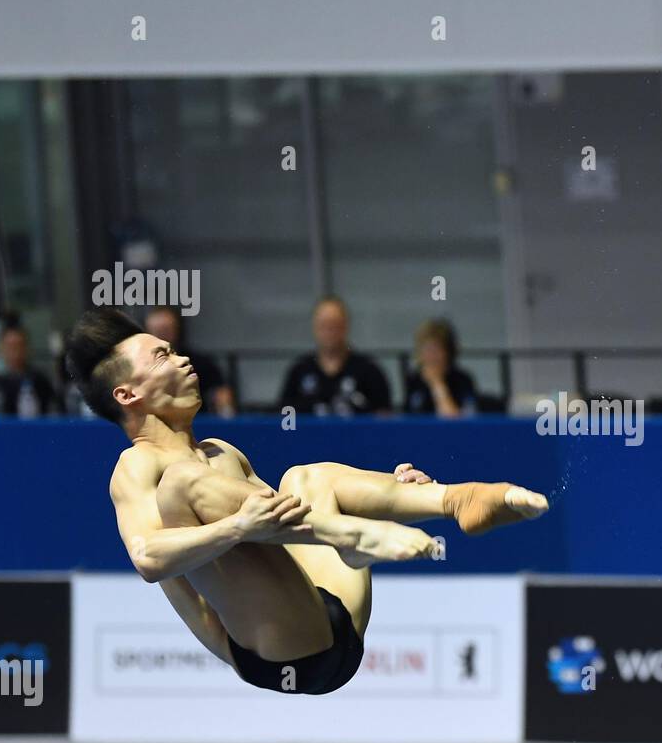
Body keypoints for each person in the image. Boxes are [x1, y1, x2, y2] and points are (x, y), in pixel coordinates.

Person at [65, 308, 548, 696]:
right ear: (127, 393)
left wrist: (388, 490)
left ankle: (456, 499)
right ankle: (350, 536)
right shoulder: (137, 468)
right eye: (162, 357)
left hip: (331, 622)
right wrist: (236, 528)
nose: (183, 359)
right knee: (182, 485)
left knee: (304, 478)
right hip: (274, 651)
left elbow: (284, 528)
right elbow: (149, 560)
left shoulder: (222, 454)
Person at [278, 297, 392, 415]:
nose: (329, 331)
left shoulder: (369, 371)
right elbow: (285, 420)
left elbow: (384, 421)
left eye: (334, 325)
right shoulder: (299, 371)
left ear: (346, 326)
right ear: (314, 327)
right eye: (323, 325)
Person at [144, 306, 236, 417]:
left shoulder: (199, 362)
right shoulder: (137, 365)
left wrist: (227, 419)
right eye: (157, 331)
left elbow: (221, 395)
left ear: (177, 330)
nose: (162, 336)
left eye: (166, 330)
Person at [403, 319, 477, 416]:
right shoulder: (414, 380)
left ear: (448, 352)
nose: (431, 356)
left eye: (436, 351)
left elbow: (454, 419)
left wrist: (437, 383)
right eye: (427, 350)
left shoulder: (462, 380)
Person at [0, 315, 61, 416]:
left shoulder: (40, 382)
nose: (15, 353)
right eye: (11, 347)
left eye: (19, 346)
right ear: (1, 349)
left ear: (27, 348)